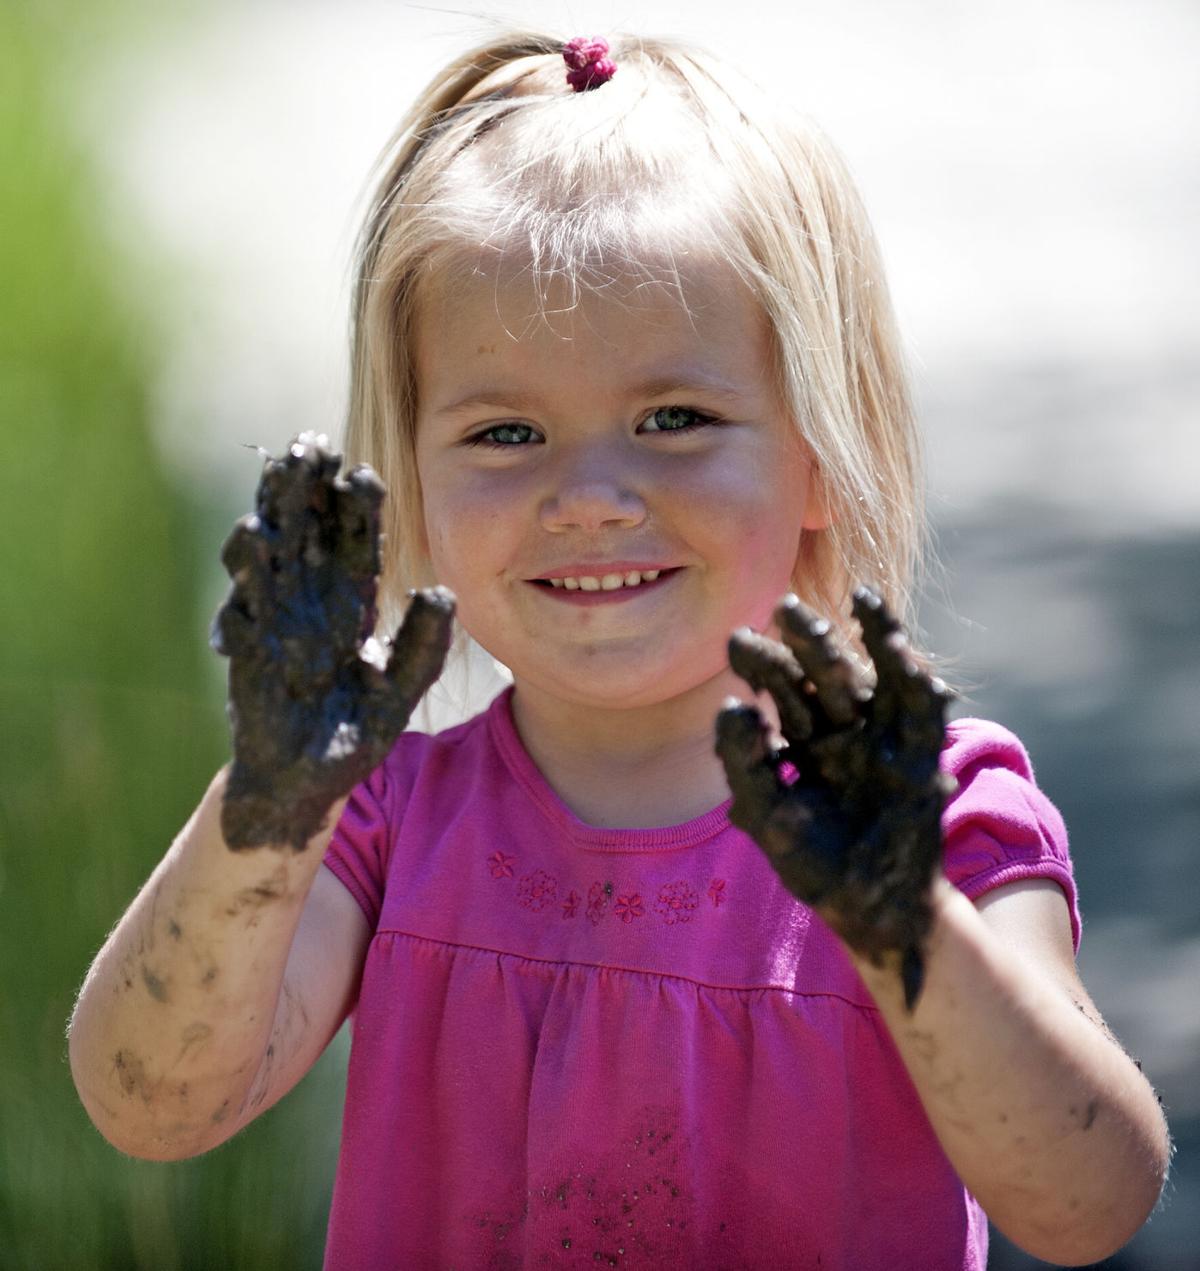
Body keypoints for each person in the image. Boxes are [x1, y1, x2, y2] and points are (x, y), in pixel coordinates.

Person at [68, 31, 1170, 1269]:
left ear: (821, 446)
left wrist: (906, 921)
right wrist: (264, 809)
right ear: (413, 482)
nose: (588, 494)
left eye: (674, 418)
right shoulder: (379, 819)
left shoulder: (927, 810)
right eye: (505, 432)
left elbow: (1089, 1204)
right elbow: (151, 1104)